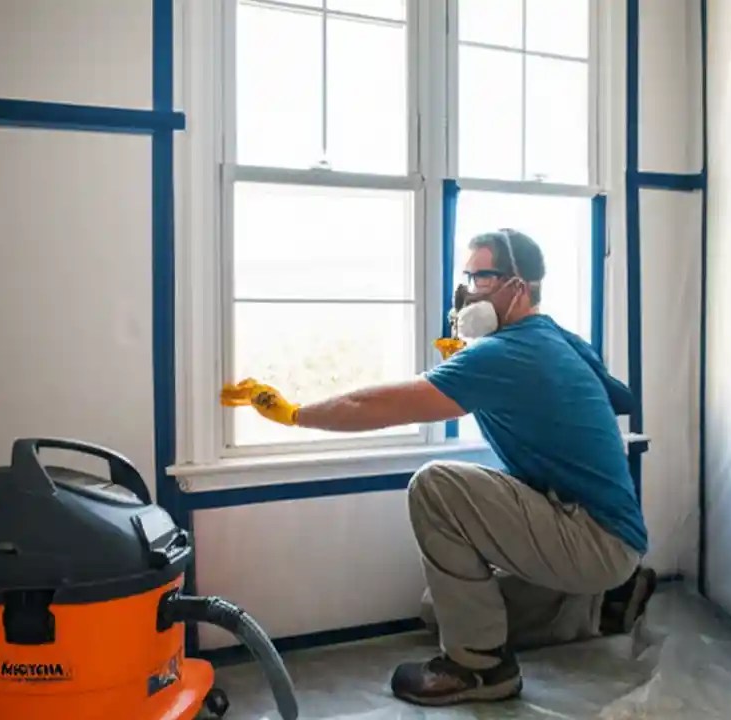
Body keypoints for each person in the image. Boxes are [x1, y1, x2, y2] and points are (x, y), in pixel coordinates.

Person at [222, 228, 656, 707]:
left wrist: (295, 413)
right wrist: (488, 376)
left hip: (593, 537)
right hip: (608, 537)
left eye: (480, 276)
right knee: (439, 611)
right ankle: (605, 606)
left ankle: (481, 670)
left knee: (435, 485)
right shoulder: (553, 336)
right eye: (466, 275)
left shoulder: (508, 353)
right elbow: (621, 396)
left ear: (518, 286)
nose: (467, 290)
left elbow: (378, 406)